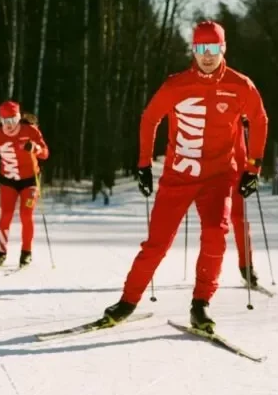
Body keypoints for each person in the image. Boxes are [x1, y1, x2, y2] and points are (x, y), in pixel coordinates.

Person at [101, 21, 268, 334]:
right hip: (178, 177)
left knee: (217, 234)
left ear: (223, 49)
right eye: (201, 48)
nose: (207, 56)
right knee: (157, 243)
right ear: (193, 50)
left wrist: (253, 168)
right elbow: (150, 118)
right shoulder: (176, 85)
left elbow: (259, 120)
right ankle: (127, 301)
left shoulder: (240, 85)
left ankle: (200, 303)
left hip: (218, 177)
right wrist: (143, 164)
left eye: (213, 48)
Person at [0, 101, 49, 268]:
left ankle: (26, 252)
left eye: (13, 120)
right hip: (8, 181)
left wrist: (35, 147)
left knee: (25, 214)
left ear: (19, 117)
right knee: (6, 215)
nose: (9, 125)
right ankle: (0, 253)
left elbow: (45, 153)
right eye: (5, 121)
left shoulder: (30, 131)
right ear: (1, 119)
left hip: (30, 181)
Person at [232, 116, 259, 287]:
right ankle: (206, 275)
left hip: (238, 167)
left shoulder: (241, 94)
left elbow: (258, 124)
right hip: (212, 166)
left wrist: (253, 169)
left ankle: (246, 265)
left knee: (239, 218)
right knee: (213, 226)